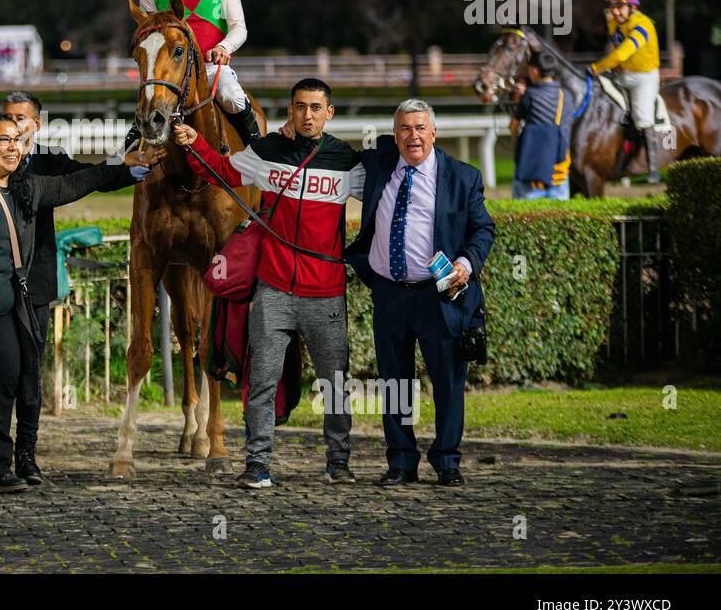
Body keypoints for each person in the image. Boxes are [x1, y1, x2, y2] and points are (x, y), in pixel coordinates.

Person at [0, 115, 153, 494]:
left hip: (5, 307)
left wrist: (121, 167)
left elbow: (75, 182)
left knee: (2, 384)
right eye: (3, 140)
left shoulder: (26, 188)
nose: (12, 148)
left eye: (18, 142)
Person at [173, 78, 365, 488]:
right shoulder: (267, 151)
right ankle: (257, 465)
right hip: (274, 290)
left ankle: (338, 463)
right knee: (260, 382)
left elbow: (389, 193)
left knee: (335, 384)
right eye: (300, 107)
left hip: (326, 294)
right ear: (291, 111)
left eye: (316, 108)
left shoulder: (346, 160)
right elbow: (222, 171)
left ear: (329, 113)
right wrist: (194, 143)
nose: (308, 115)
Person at [344, 100, 495, 487]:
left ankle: (447, 461)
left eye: (420, 128)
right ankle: (401, 462)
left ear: (434, 132)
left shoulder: (462, 177)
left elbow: (483, 230)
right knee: (394, 384)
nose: (413, 136)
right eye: (405, 129)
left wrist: (465, 264)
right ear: (394, 137)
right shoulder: (380, 165)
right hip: (390, 294)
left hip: (438, 296)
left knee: (448, 381)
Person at [121, 0, 259, 151]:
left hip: (210, 69)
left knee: (232, 96)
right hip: (170, 74)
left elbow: (239, 28)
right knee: (146, 110)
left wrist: (224, 46)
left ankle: (259, 151)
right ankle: (129, 160)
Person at [588, 0, 663, 183]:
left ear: (632, 7)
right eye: (612, 7)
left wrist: (597, 68)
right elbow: (615, 52)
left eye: (619, 7)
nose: (615, 12)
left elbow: (622, 53)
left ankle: (653, 169)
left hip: (643, 77)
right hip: (623, 74)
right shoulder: (613, 22)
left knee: (641, 117)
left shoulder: (643, 25)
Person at [509, 52, 573, 199]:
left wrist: (520, 103)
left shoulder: (529, 95)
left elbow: (513, 128)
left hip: (531, 166)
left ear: (534, 71)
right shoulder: (566, 95)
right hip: (559, 164)